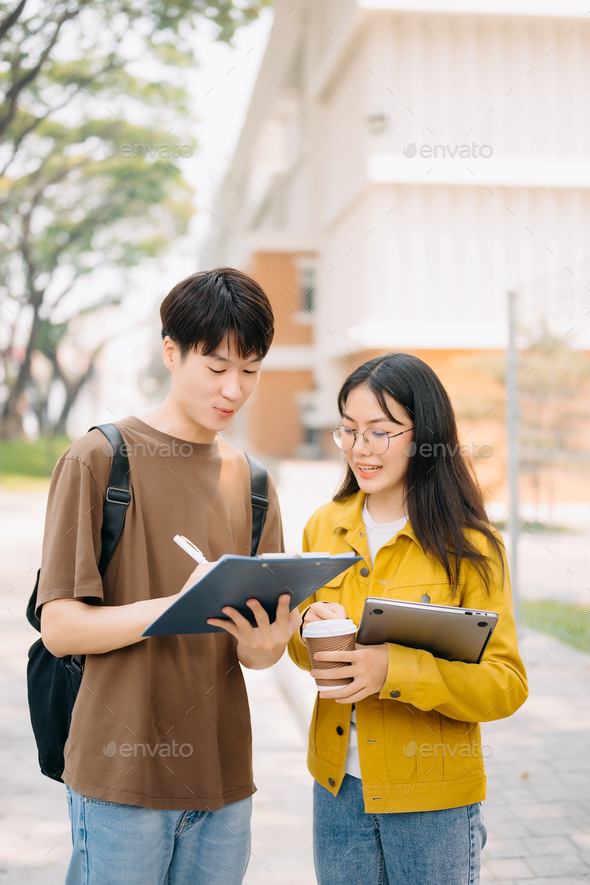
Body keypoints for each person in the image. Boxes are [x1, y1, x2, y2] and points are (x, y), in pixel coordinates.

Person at [38, 268, 302, 885]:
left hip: (223, 779)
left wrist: (267, 647)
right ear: (170, 352)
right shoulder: (100, 459)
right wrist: (176, 605)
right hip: (119, 778)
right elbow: (61, 628)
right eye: (216, 368)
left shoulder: (255, 483)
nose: (233, 389)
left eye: (251, 370)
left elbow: (257, 655)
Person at [288, 352, 528, 885]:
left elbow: (506, 686)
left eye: (381, 431)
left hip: (433, 805)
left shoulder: (470, 547)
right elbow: (302, 649)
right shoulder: (323, 527)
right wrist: (308, 628)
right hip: (336, 792)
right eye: (348, 430)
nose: (360, 448)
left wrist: (393, 669)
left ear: (424, 435)